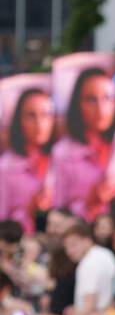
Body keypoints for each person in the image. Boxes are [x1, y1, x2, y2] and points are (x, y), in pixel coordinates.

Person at [50, 66, 115, 221]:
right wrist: (92, 202)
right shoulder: (62, 153)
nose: (101, 109)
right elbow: (57, 212)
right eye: (91, 100)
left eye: (108, 98)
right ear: (78, 104)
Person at [0, 86, 55, 232]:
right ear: (19, 121)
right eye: (31, 116)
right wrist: (29, 213)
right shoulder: (5, 168)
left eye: (45, 115)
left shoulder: (59, 159)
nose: (39, 124)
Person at [62, 220, 115, 315]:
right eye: (66, 247)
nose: (69, 251)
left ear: (87, 240)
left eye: (73, 245)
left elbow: (89, 307)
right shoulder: (107, 254)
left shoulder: (88, 263)